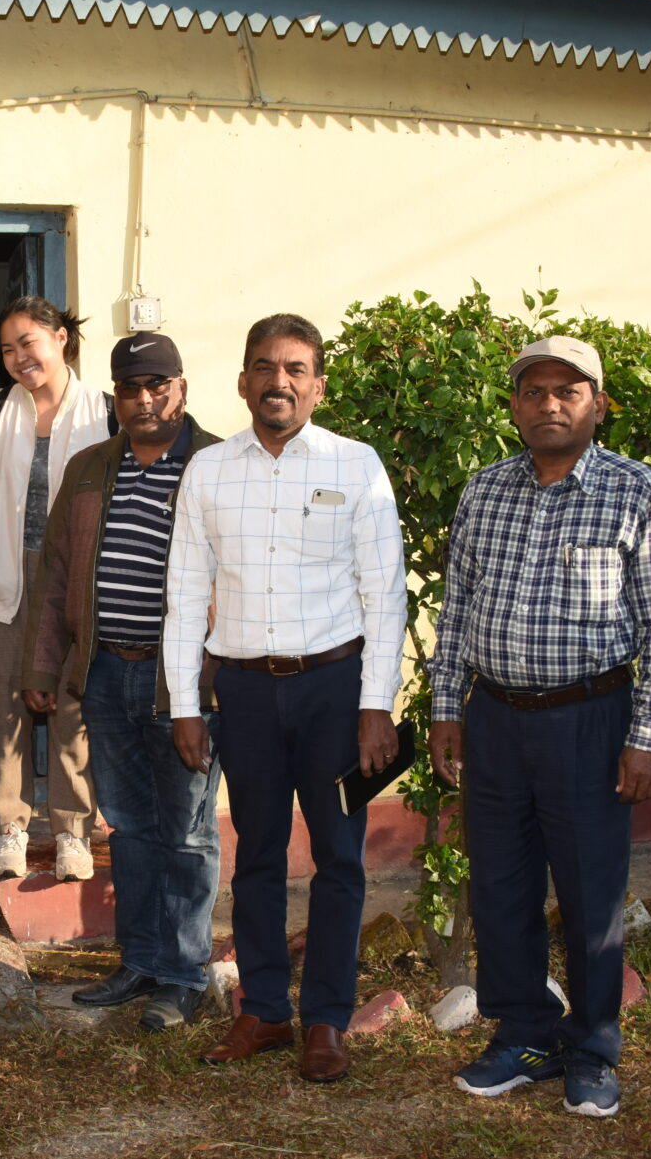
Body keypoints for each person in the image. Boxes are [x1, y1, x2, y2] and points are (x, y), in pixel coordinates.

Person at [425, 335, 651, 1120]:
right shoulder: (485, 491)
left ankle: (593, 1048)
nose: (549, 404)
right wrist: (447, 706)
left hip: (591, 720)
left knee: (588, 891)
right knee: (502, 883)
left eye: (567, 391)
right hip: (496, 717)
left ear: (598, 405)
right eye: (533, 391)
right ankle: (524, 1035)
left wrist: (650, 735)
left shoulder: (639, 493)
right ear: (514, 407)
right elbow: (460, 609)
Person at [165, 313, 406, 1083]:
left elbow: (385, 592)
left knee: (339, 858)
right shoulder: (208, 471)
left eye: (297, 368)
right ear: (242, 381)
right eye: (266, 367)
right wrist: (183, 703)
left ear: (318, 383)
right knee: (258, 855)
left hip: (336, 690)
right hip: (243, 691)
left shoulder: (356, 463)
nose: (280, 381)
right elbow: (185, 591)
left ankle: (327, 1020)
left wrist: (377, 704)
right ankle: (265, 1009)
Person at [23, 333, 222, 1030]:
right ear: (115, 396)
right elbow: (54, 577)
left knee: (188, 831)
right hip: (106, 671)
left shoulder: (217, 465)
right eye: (131, 387)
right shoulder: (86, 469)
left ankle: (184, 972)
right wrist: (45, 666)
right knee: (130, 827)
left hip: (185, 683)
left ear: (181, 387)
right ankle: (140, 959)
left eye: (157, 384)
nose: (144, 399)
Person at [0, 296, 111, 881]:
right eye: (8, 348)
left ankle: (72, 831)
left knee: (73, 709)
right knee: (4, 709)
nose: (18, 357)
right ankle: (9, 828)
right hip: (0, 580)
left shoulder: (105, 413)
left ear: (61, 338)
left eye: (28, 343)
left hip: (77, 584)